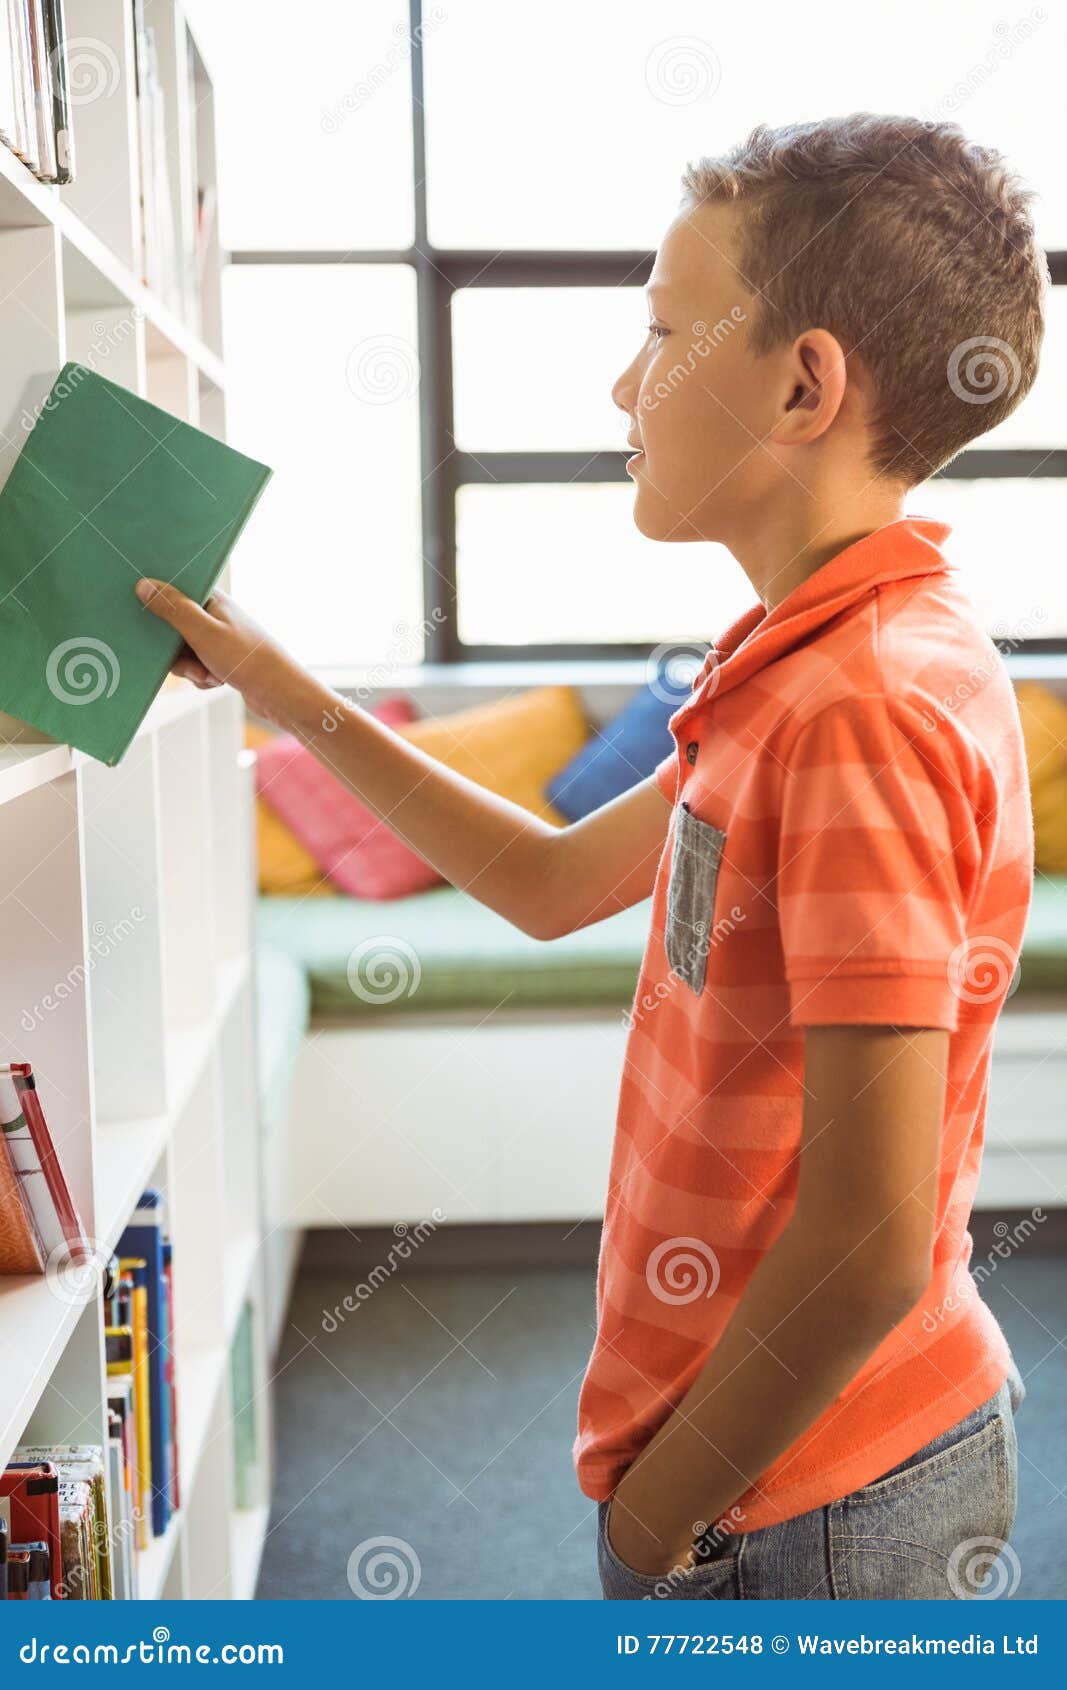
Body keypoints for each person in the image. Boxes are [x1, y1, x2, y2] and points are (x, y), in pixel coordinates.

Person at [135, 113, 1044, 1600]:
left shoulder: (861, 704)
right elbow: (550, 882)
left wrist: (660, 1513)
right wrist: (280, 687)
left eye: (666, 333)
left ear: (807, 385)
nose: (624, 383)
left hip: (800, 1501)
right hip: (772, 1474)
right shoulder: (798, 660)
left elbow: (871, 1241)